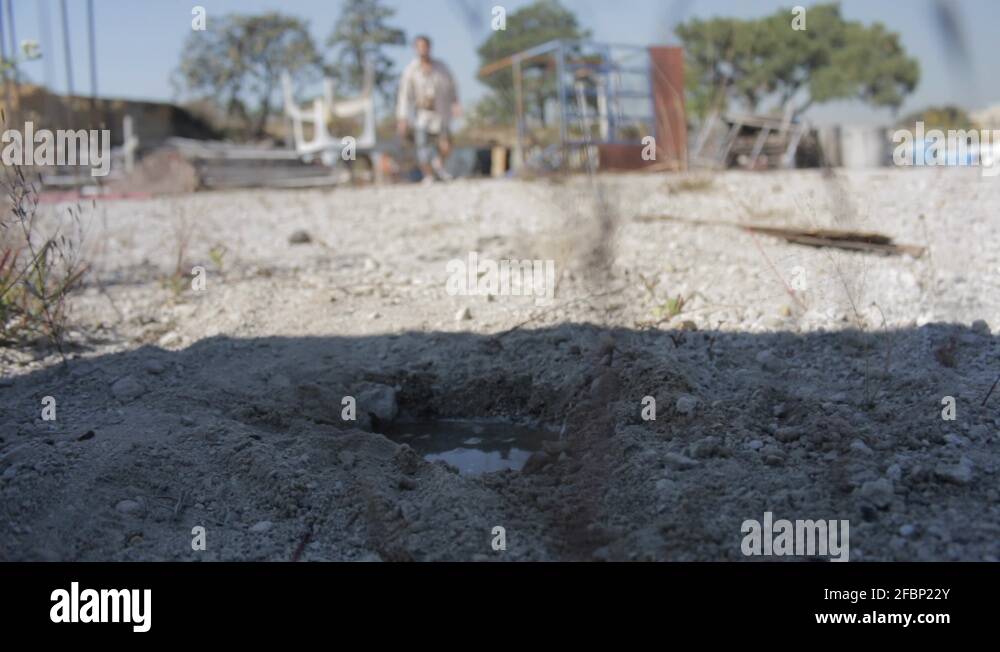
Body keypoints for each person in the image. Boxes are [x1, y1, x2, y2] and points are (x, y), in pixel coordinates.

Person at [396, 35, 461, 183]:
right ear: (415, 49)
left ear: (430, 48)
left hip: (441, 112)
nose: (423, 50)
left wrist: (455, 103)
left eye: (425, 46)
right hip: (422, 115)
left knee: (446, 144)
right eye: (419, 47)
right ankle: (429, 175)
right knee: (422, 146)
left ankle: (439, 164)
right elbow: (404, 95)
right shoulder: (410, 70)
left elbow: (452, 86)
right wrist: (402, 118)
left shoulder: (441, 67)